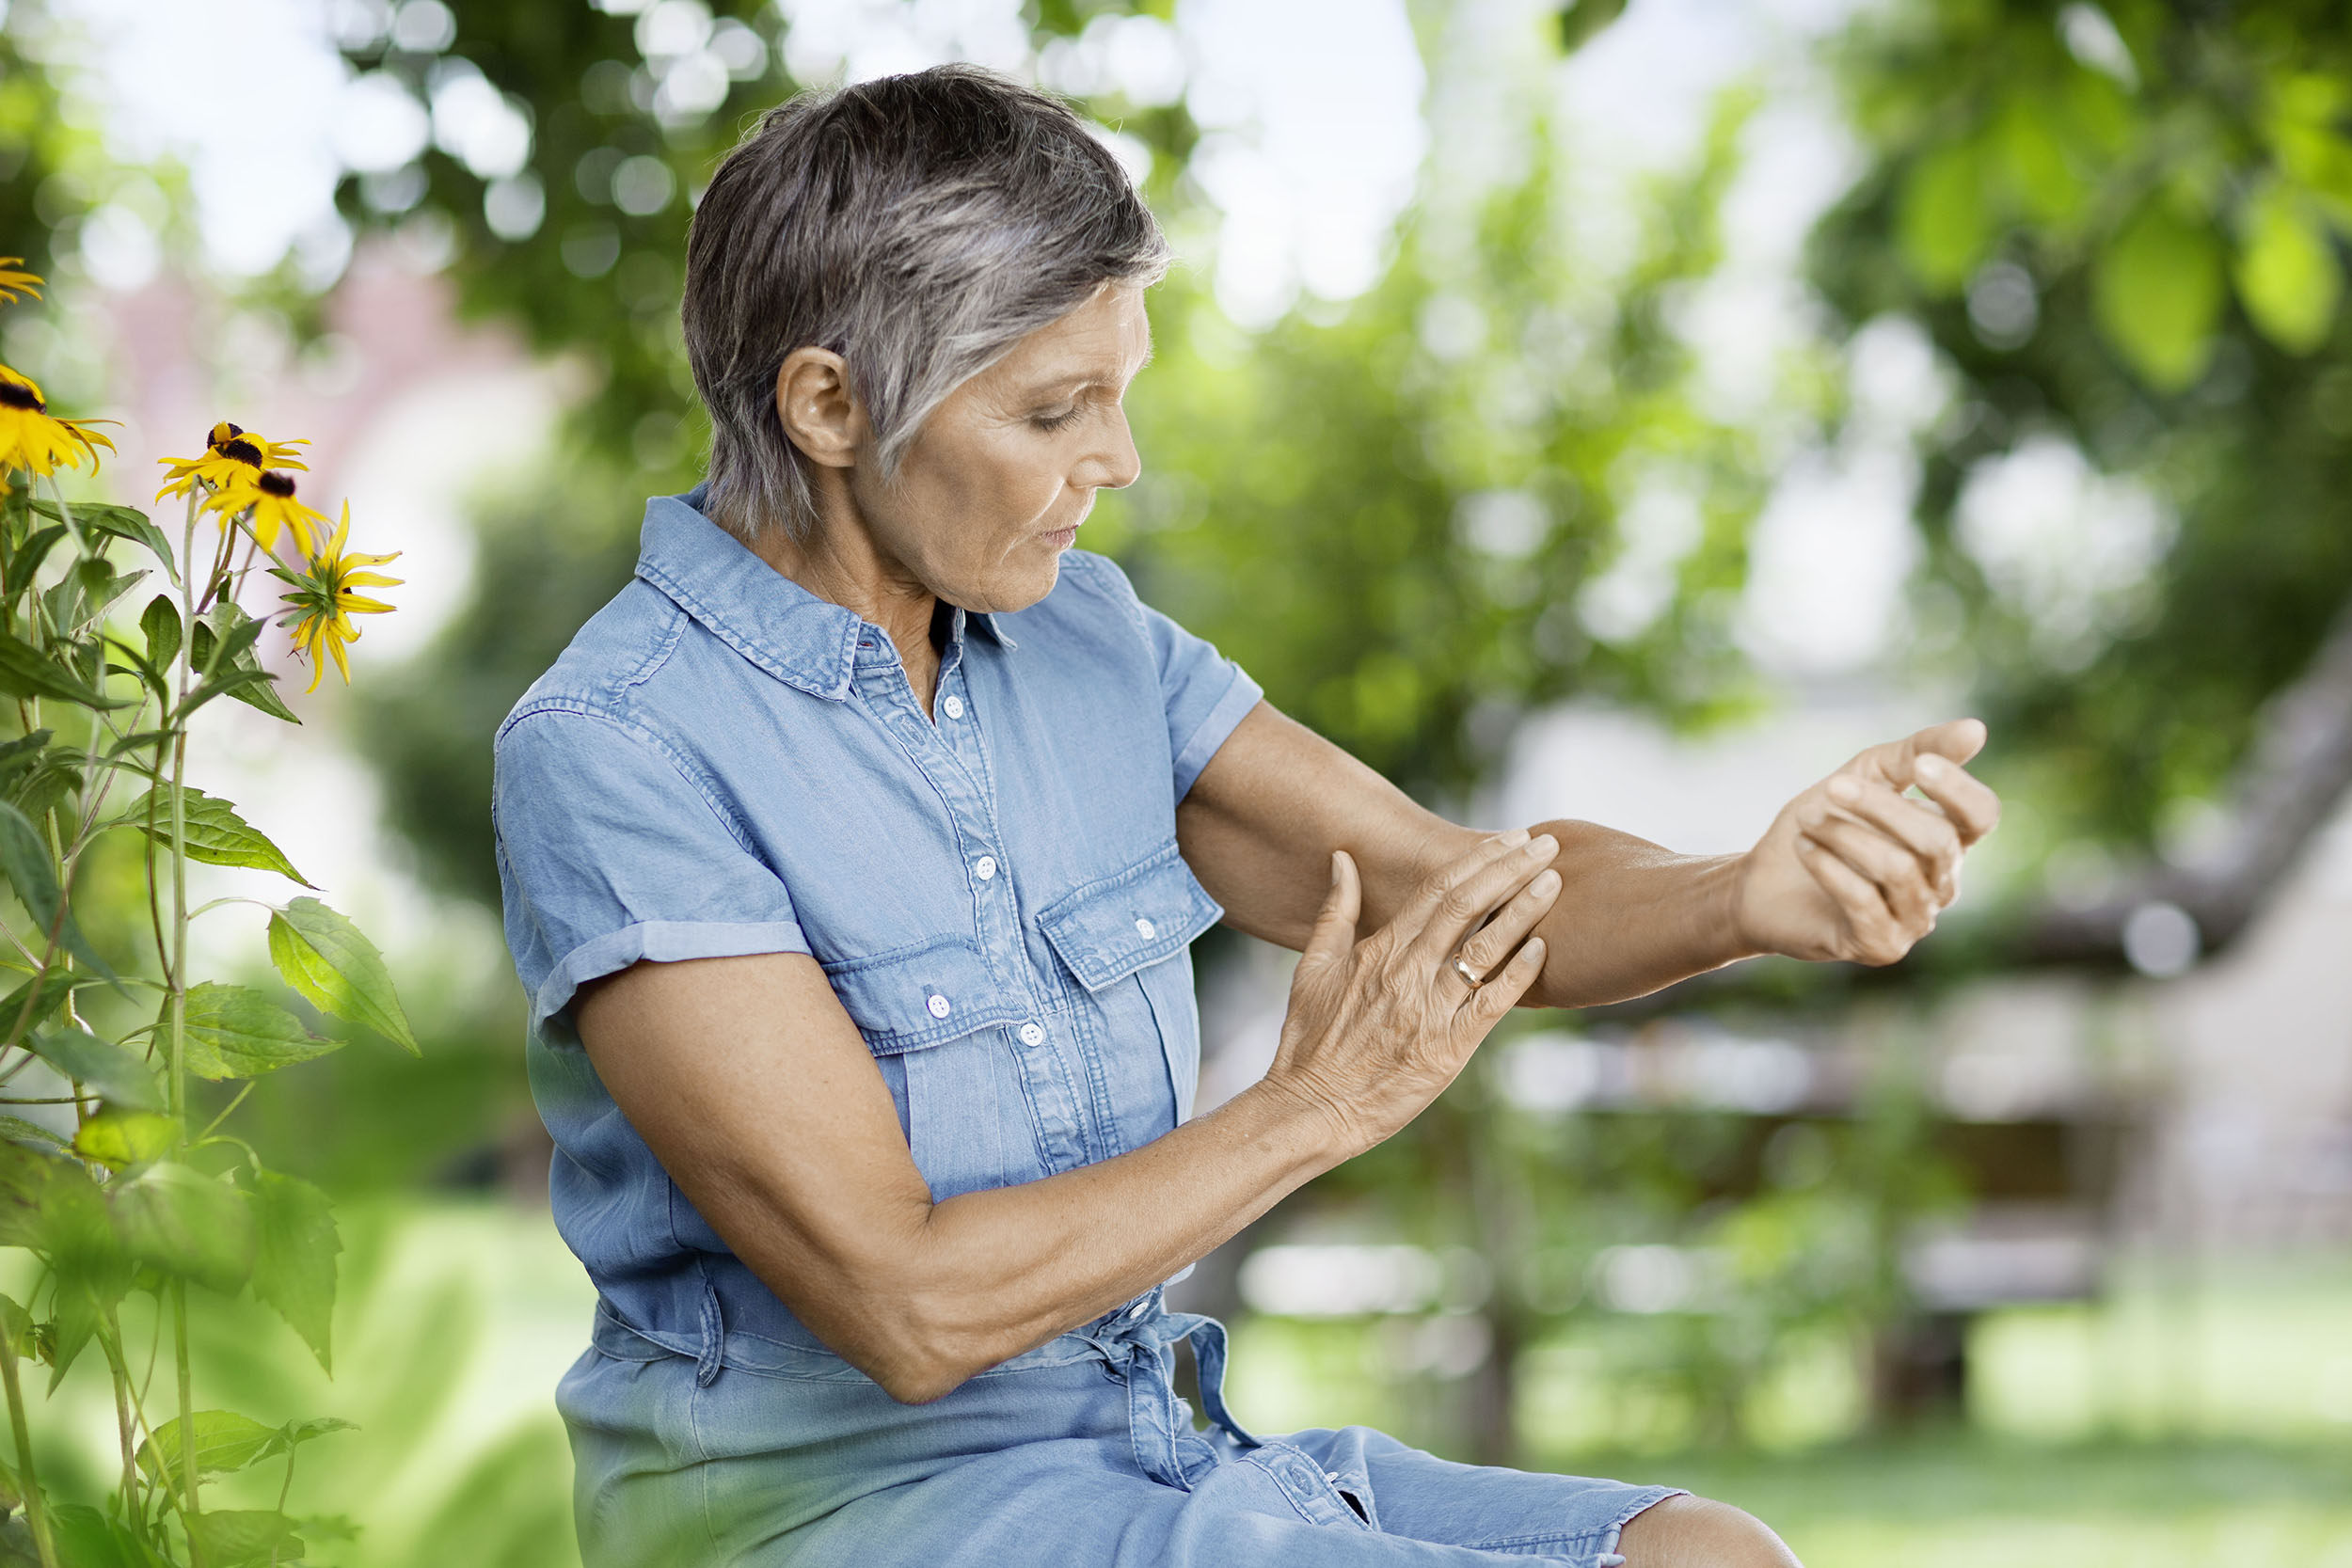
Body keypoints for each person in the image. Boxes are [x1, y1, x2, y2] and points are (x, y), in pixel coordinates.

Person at [493, 66, 1996, 1568]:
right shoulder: (619, 749)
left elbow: (1457, 894)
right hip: (836, 1514)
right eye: (1052, 409)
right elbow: (908, 1304)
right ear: (828, 403)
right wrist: (1317, 1107)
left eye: (1120, 395)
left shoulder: (1087, 641)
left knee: (1707, 1556)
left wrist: (1744, 887)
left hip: (1145, 1445)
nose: (1117, 462)